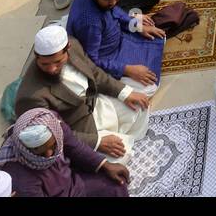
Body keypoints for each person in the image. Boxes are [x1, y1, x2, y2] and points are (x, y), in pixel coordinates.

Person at [14, 25, 151, 161]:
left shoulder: (73, 45)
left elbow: (95, 73)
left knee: (141, 105)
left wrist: (124, 93)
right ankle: (116, 143)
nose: (52, 69)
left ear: (67, 49)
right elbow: (52, 136)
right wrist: (97, 142)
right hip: (79, 130)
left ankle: (123, 138)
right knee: (121, 155)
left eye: (57, 62)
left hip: (99, 106)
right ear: (36, 57)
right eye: (45, 64)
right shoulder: (30, 96)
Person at [66, 0, 167, 90]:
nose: (113, 2)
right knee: (150, 87)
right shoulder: (90, 23)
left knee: (157, 36)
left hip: (112, 33)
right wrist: (127, 70)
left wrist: (136, 25)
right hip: (106, 55)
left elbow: (114, 10)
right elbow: (92, 61)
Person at [0, 107, 130, 198]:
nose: (49, 154)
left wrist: (105, 165)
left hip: (74, 183)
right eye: (38, 151)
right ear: (24, 148)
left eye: (53, 146)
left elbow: (75, 147)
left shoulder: (54, 125)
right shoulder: (18, 175)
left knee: (117, 185)